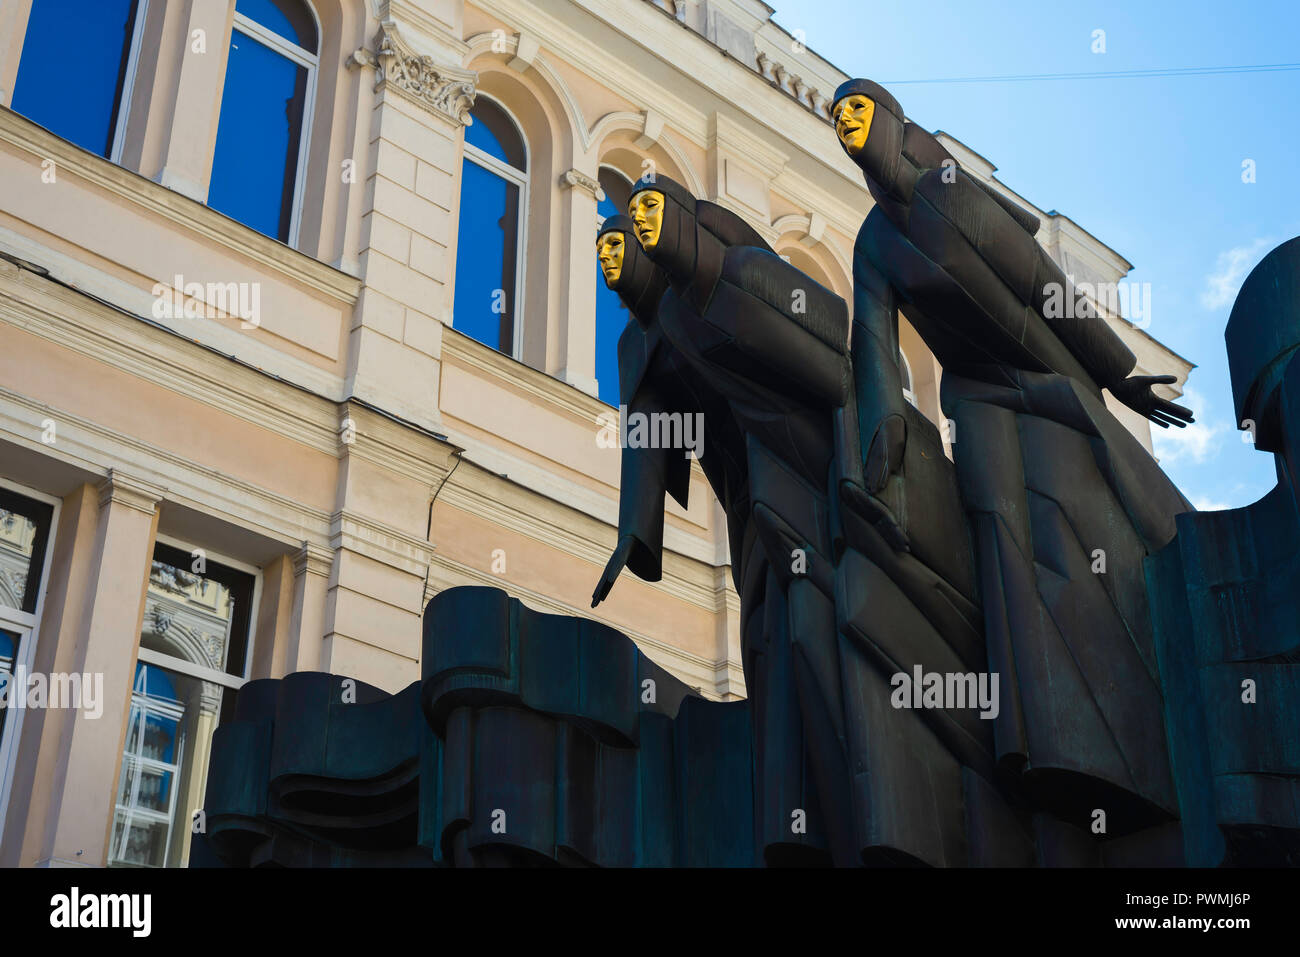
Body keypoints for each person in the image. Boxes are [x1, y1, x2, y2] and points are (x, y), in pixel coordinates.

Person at [831, 77, 1195, 844]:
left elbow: (1042, 282)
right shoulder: (873, 243)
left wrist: (1118, 370)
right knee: (996, 523)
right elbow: (872, 346)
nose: (846, 121)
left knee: (1084, 531)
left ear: (891, 121)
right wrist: (882, 438)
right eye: (837, 116)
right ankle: (1036, 741)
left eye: (858, 108)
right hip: (980, 393)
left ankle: (1129, 726)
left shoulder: (950, 190)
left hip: (1051, 378)